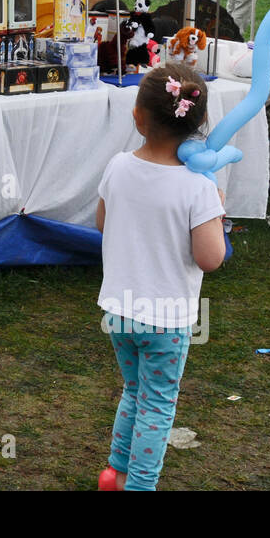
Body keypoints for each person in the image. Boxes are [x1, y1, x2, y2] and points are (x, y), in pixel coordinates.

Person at [95, 63, 226, 491]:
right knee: (157, 403)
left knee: (133, 391)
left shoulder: (117, 166)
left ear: (137, 117)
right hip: (166, 320)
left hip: (118, 311)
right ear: (199, 123)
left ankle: (115, 471)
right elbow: (210, 258)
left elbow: (102, 223)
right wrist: (216, 213)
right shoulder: (198, 187)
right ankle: (140, 486)